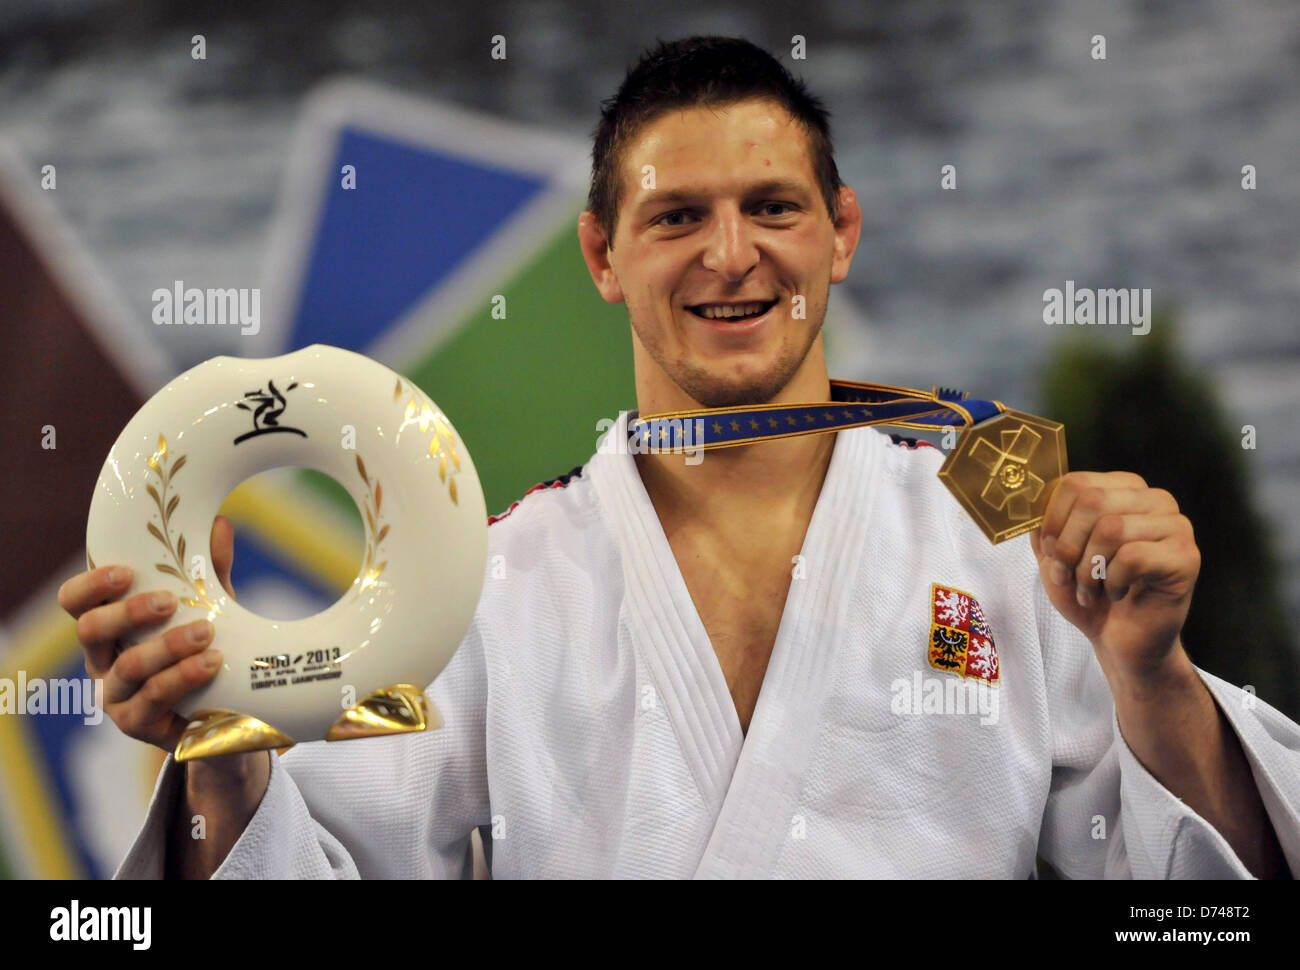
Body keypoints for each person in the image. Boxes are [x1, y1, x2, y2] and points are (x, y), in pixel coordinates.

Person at [60, 36, 1298, 879]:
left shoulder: (1001, 542)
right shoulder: (490, 589)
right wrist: (219, 740)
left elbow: (1190, 903)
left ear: (840, 232)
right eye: (676, 217)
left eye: (771, 206)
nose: (730, 255)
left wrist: (1152, 674)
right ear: (601, 256)